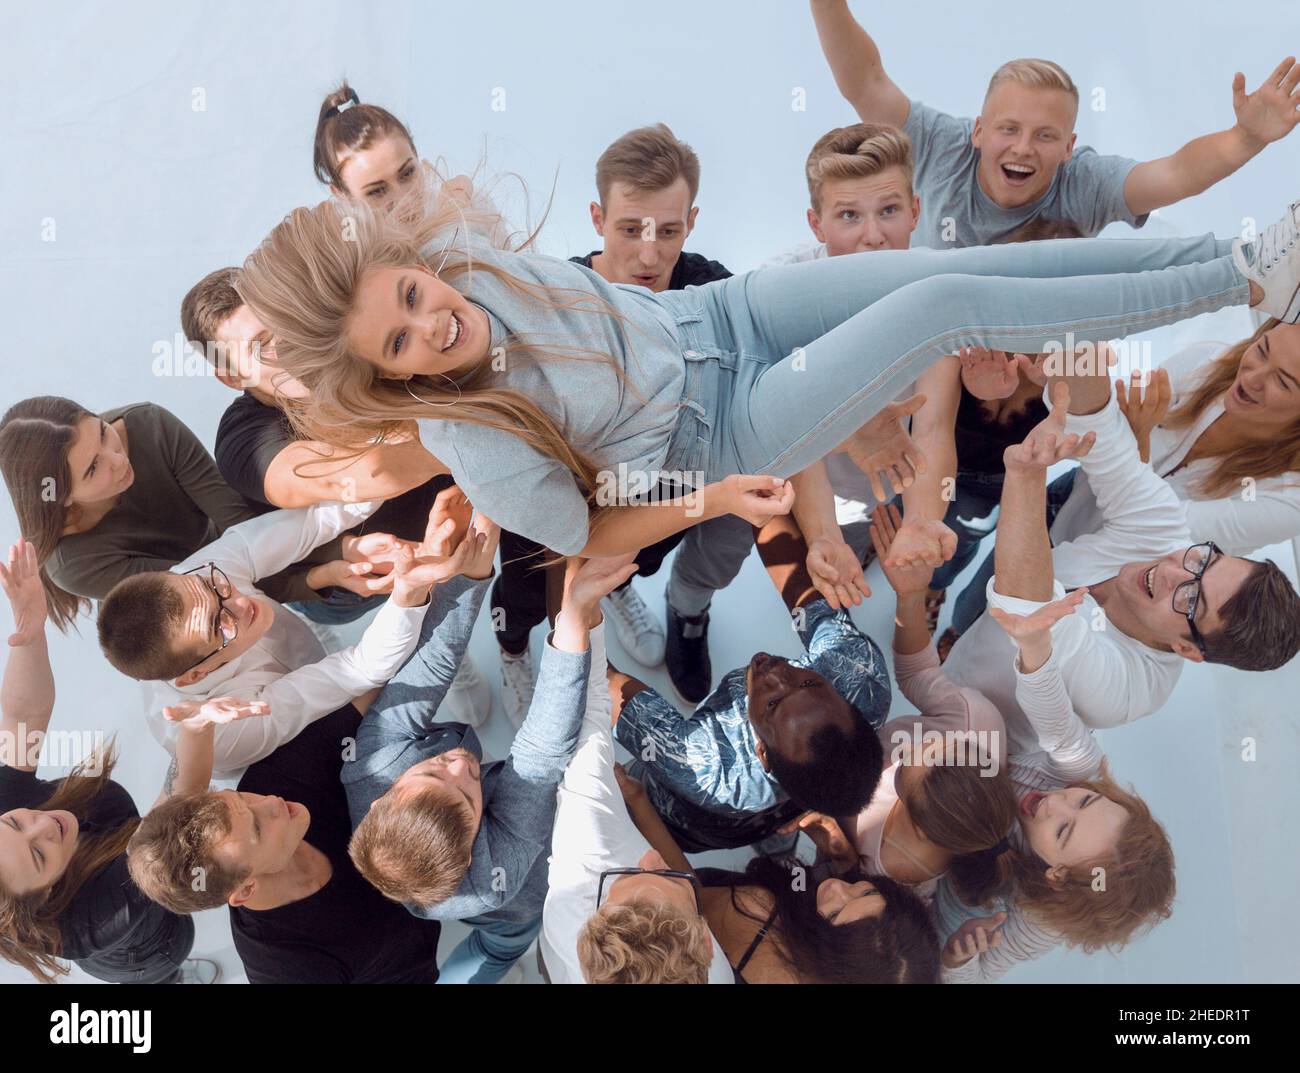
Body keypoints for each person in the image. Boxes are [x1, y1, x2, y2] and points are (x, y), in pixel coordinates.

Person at [237, 163, 1300, 576]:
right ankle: (1241, 289)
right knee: (942, 309)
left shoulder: (464, 264)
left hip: (720, 312)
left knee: (961, 266)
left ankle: (1245, 263)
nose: (431, 325)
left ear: (417, 269)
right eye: (398, 344)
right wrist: (709, 496)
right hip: (730, 423)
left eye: (413, 298)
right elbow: (589, 536)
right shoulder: (479, 444)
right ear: (386, 378)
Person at [493, 122, 736, 721]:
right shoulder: (554, 301)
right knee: (522, 598)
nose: (650, 254)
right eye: (630, 229)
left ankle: (622, 588)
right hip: (559, 506)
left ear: (693, 222)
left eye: (669, 231)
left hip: (657, 494)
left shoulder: (713, 289)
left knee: (633, 561)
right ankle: (511, 651)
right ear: (597, 217)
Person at [180, 266, 490, 723]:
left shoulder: (357, 343)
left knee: (432, 598)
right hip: (344, 578)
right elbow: (355, 473)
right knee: (391, 614)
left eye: (284, 321)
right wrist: (487, 431)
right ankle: (437, 648)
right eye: (261, 345)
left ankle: (445, 641)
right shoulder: (243, 439)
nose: (286, 344)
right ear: (230, 376)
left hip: (439, 532)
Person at [946, 364, 1300, 757]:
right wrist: (1071, 353)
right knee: (966, 620)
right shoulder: (1169, 538)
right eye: (1203, 560)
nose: (1170, 569)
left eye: (1189, 599)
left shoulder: (1124, 692)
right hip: (953, 667)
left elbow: (1027, 606)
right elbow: (1105, 434)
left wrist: (1027, 473)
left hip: (966, 752)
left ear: (1187, 649)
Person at [343, 546, 636, 984]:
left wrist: (474, 565)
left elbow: (433, 661)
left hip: (414, 870)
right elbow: (540, 755)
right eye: (465, 797)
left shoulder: (371, 766)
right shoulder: (492, 875)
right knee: (502, 943)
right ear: (471, 848)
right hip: (515, 905)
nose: (461, 765)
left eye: (430, 771)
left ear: (382, 799)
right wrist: (572, 621)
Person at [810, 0, 1300, 248]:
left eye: (1045, 136)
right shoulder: (942, 144)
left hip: (1024, 370)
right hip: (932, 349)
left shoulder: (1082, 184)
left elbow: (1173, 173)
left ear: (1069, 147)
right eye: (1008, 129)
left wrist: (1245, 138)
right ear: (978, 132)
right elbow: (866, 84)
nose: (1023, 147)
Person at [96, 491, 476, 776]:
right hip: (299, 747)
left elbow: (311, 522)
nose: (243, 602)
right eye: (220, 623)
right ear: (194, 676)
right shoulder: (224, 736)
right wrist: (410, 588)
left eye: (218, 586)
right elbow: (359, 667)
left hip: (303, 649)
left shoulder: (196, 577)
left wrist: (383, 474)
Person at [607, 509, 890, 853]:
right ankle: (780, 843)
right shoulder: (859, 676)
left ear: (762, 754)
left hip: (682, 821)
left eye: (773, 703)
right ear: (849, 702)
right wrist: (759, 498)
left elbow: (596, 674)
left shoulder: (703, 764)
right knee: (781, 828)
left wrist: (563, 573)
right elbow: (780, 544)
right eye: (809, 683)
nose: (773, 671)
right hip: (785, 803)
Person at [935, 590, 1176, 982]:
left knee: (981, 916)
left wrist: (957, 958)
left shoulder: (1039, 921)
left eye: (1063, 831)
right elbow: (1057, 719)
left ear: (1058, 876)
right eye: (1084, 801)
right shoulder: (1079, 772)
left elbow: (980, 976)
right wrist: (1034, 648)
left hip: (936, 905)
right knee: (980, 723)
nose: (1053, 804)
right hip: (939, 809)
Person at [0, 540, 212, 984]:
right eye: (39, 854)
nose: (43, 824)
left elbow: (23, 721)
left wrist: (31, 629)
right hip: (142, 951)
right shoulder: (98, 917)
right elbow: (176, 811)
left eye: (16, 823)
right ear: (49, 893)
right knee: (169, 955)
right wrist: (198, 721)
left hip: (127, 848)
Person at [126, 696, 444, 984]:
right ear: (245, 889)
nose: (271, 802)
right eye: (258, 829)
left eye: (239, 797)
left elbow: (372, 696)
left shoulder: (272, 780)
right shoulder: (286, 968)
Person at [817, 503, 1016, 903]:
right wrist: (910, 596)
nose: (918, 744)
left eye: (910, 763)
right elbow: (919, 673)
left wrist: (836, 853)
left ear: (919, 829)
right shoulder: (976, 723)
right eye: (940, 745)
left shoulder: (892, 876)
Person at [0, 396, 329, 631]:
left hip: (243, 553)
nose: (116, 459)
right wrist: (315, 580)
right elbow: (201, 590)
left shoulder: (146, 426)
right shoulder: (73, 565)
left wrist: (335, 556)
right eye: (93, 468)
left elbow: (243, 521)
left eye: (102, 432)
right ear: (62, 499)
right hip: (194, 619)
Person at [539, 608, 735, 983]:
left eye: (627, 874)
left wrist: (580, 607)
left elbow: (589, 710)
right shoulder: (706, 969)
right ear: (707, 949)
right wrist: (641, 805)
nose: (651, 855)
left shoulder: (575, 883)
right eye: (669, 875)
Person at [610, 768, 941, 983]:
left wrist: (639, 803)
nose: (837, 888)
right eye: (866, 892)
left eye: (837, 913)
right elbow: (803, 887)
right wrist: (837, 859)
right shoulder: (820, 933)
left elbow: (685, 888)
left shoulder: (752, 930)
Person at [1052, 316, 1300, 555]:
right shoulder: (1207, 361)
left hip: (1105, 580)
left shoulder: (1289, 500)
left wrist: (1137, 438)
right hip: (1070, 501)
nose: (1252, 377)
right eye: (1262, 350)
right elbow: (1090, 427)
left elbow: (1154, 525)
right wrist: (1059, 382)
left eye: (1282, 382)